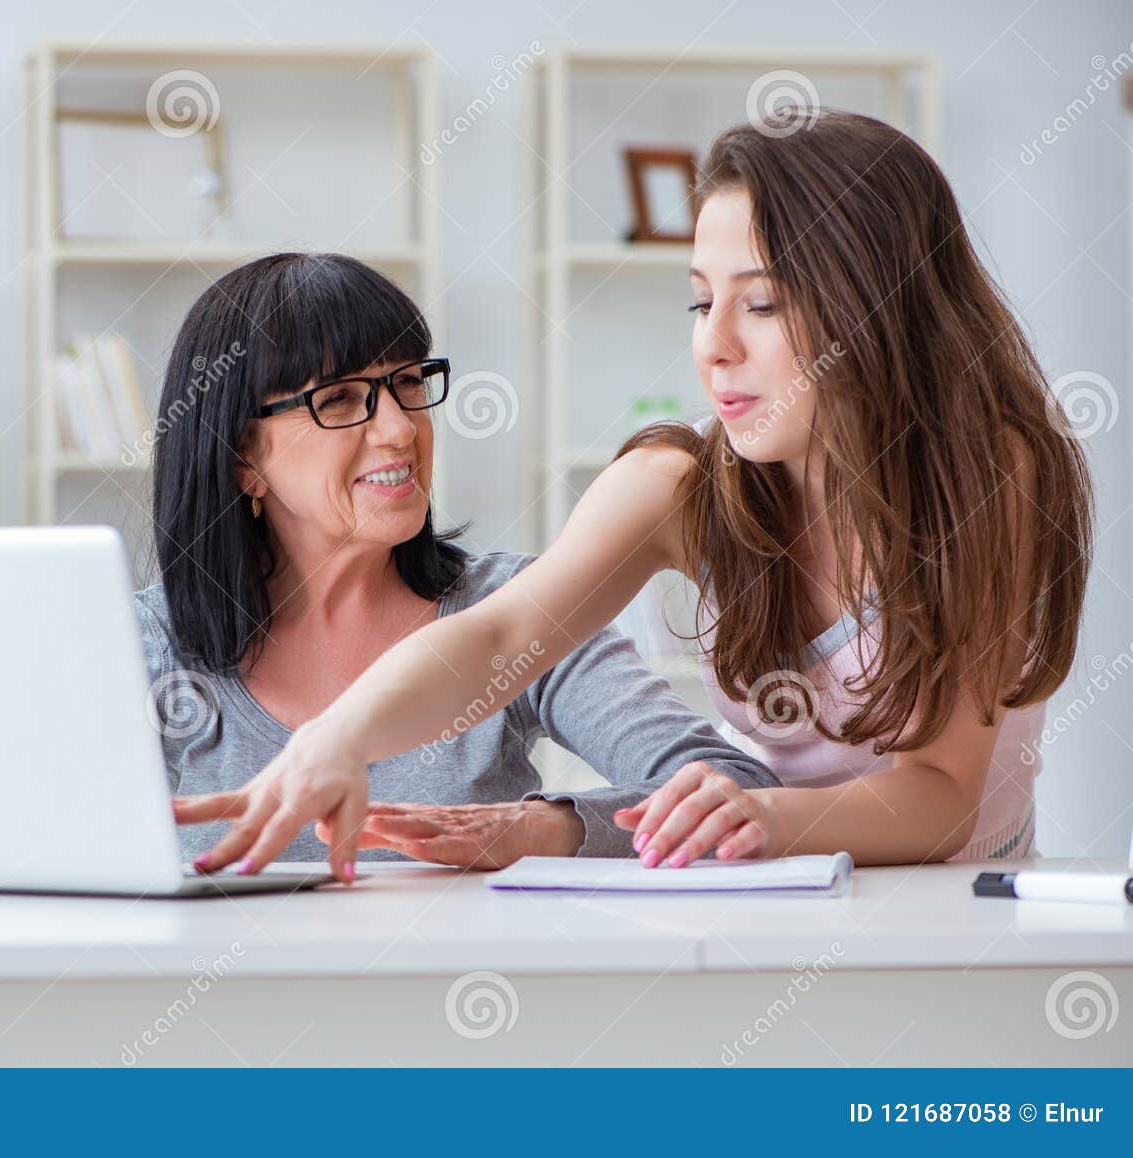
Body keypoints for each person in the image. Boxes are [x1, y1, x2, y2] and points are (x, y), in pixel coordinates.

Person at [183, 109, 1094, 883]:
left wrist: (768, 818)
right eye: (702, 304)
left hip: (962, 909)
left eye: (763, 304)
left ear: (874, 306)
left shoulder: (990, 472)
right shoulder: (684, 484)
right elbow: (500, 636)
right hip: (784, 892)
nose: (715, 346)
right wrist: (339, 737)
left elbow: (939, 795)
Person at [138, 252, 777, 877]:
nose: (398, 428)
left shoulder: (513, 605)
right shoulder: (145, 641)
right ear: (242, 457)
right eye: (337, 399)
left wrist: (546, 828)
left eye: (409, 382)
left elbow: (734, 788)